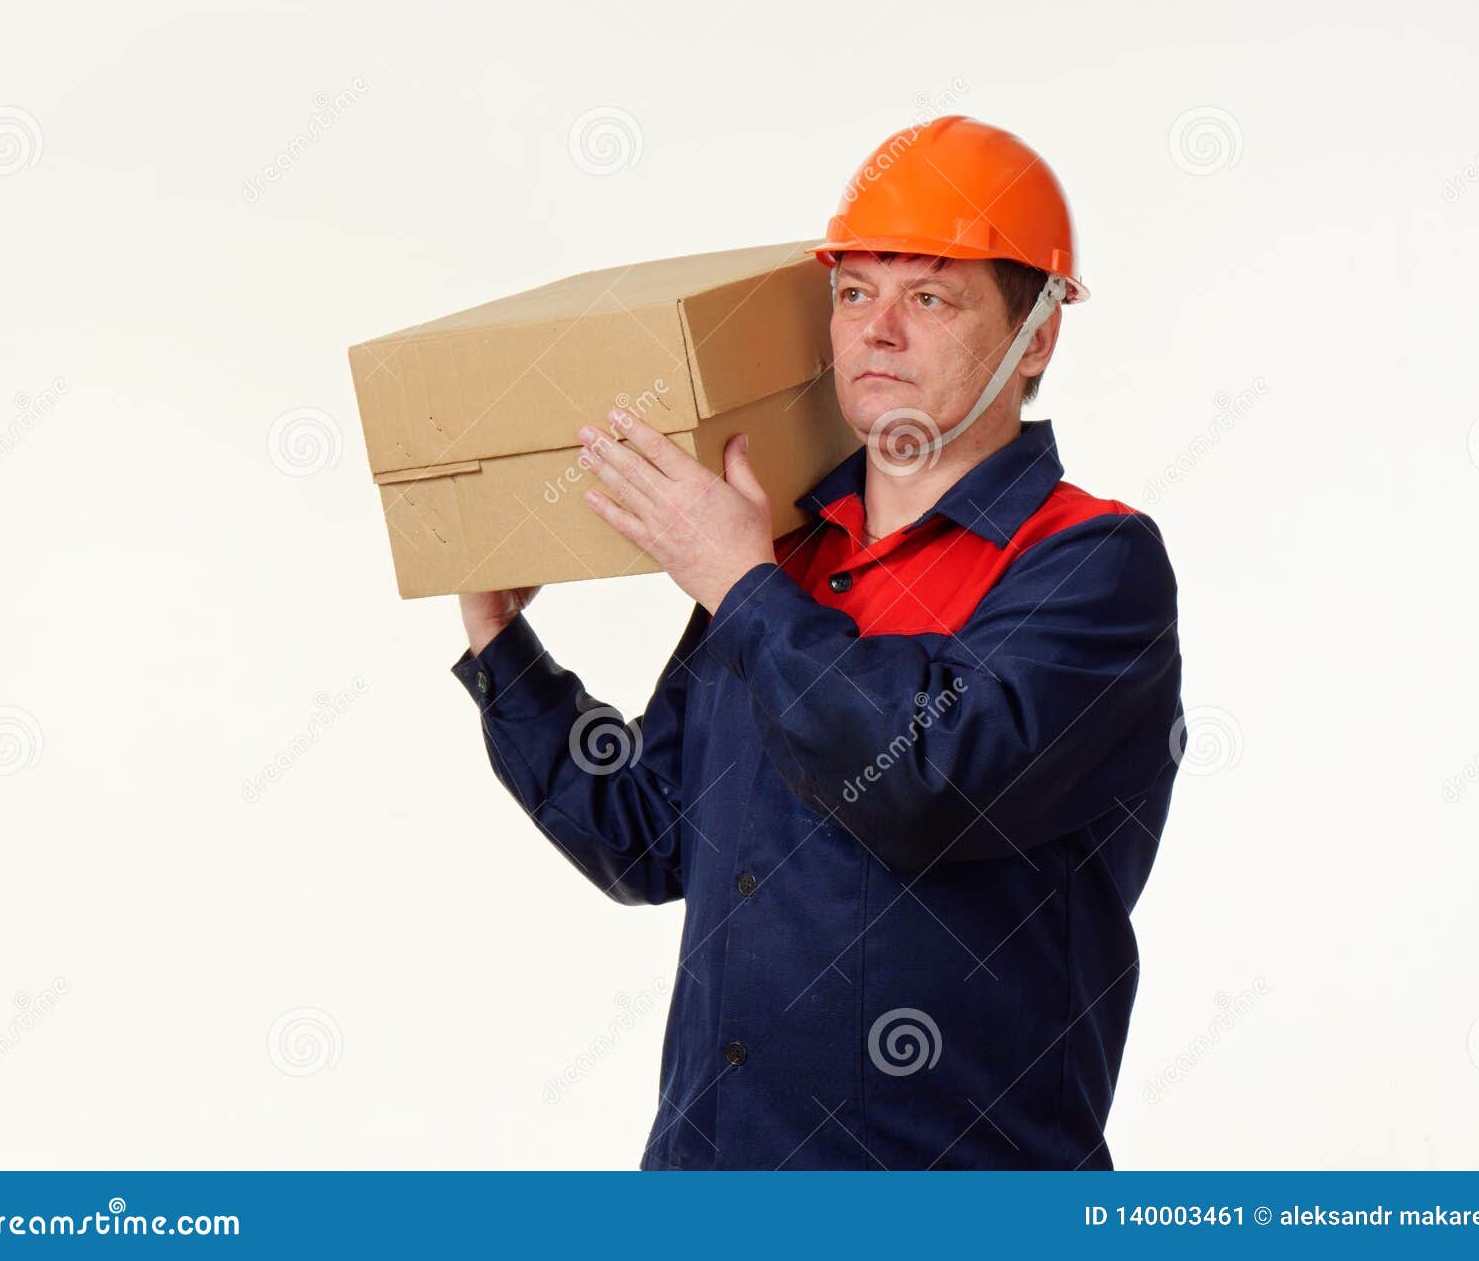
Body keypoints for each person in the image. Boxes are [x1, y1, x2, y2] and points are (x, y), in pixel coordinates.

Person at [453, 114, 1186, 1170]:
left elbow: (927, 783)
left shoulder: (1088, 563)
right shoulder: (786, 556)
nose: (876, 330)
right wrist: (500, 644)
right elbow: (648, 837)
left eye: (929, 297)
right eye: (853, 293)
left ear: (1035, 339)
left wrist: (738, 584)